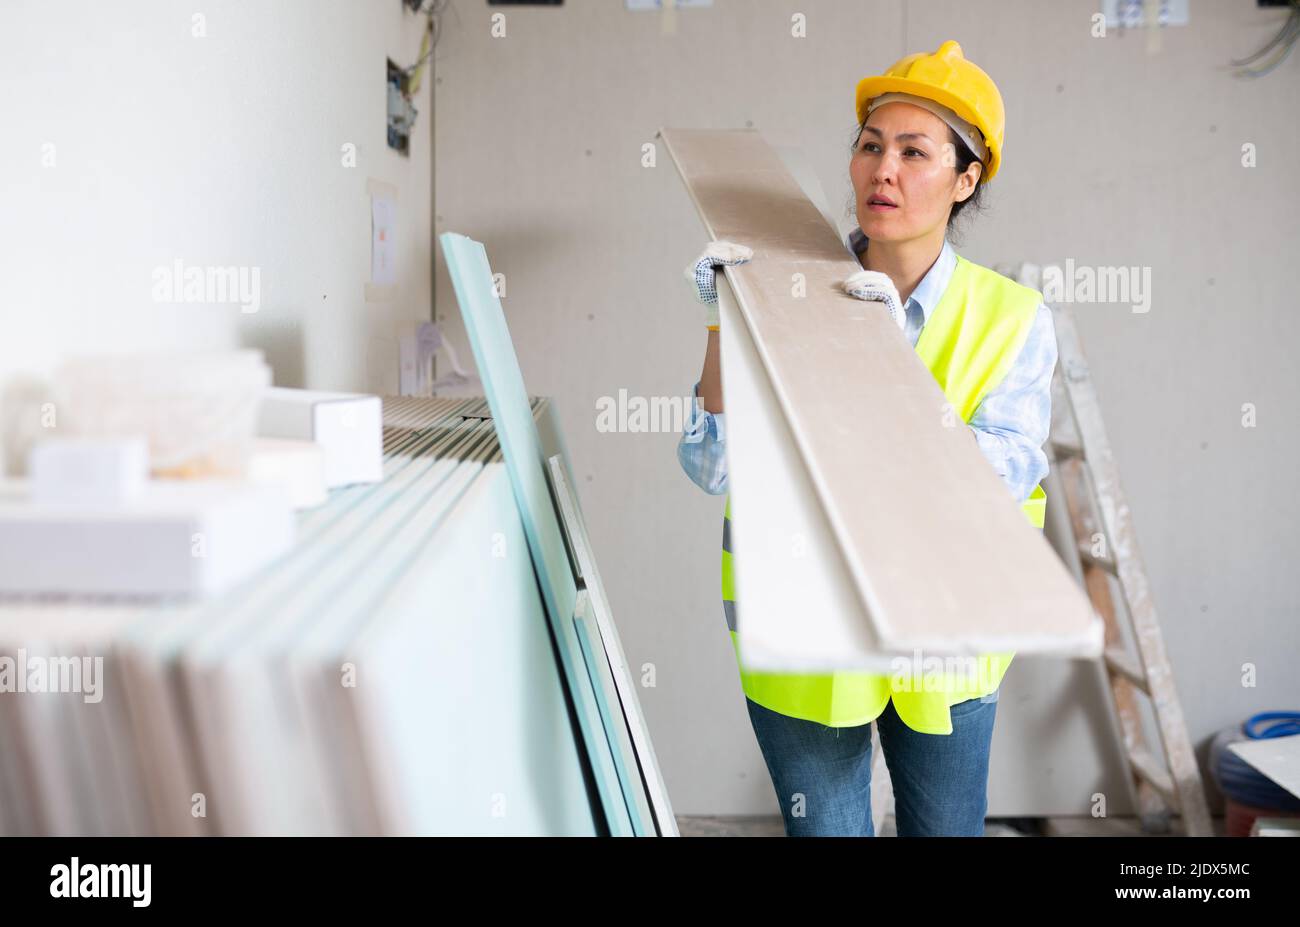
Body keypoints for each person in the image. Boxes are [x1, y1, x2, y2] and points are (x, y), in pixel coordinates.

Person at [675, 41, 1058, 837]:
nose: (883, 171)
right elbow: (710, 466)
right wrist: (725, 319)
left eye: (915, 152)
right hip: (806, 641)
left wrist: (879, 366)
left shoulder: (1013, 318)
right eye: (871, 146)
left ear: (966, 178)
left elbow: (1006, 471)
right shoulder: (780, 285)